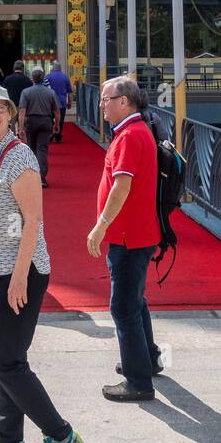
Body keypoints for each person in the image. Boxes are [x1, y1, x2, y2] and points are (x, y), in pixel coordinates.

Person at [0, 82, 83, 443]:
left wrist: (19, 279)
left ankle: (60, 434)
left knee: (4, 359)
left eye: (1, 108)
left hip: (21, 272)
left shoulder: (20, 157)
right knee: (8, 358)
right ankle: (10, 442)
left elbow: (33, 221)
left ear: (13, 114)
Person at [87, 77, 163, 401]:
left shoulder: (130, 136)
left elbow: (121, 186)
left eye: (107, 98)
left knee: (123, 307)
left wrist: (100, 225)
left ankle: (138, 381)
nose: (102, 104)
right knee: (135, 300)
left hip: (128, 236)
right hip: (137, 232)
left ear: (125, 101)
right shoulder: (134, 131)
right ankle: (148, 358)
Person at [17, 70, 60, 188]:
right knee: (42, 149)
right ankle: (41, 177)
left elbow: (22, 111)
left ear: (32, 79)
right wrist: (57, 125)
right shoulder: (50, 92)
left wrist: (20, 127)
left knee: (31, 148)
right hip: (46, 121)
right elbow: (56, 111)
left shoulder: (26, 92)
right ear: (43, 79)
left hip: (31, 121)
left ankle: (32, 175)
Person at [44, 60, 73, 143]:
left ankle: (50, 134)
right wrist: (69, 102)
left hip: (49, 102)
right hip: (61, 102)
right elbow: (70, 92)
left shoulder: (47, 76)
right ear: (60, 68)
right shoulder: (65, 77)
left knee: (49, 118)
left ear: (53, 68)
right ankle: (58, 135)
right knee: (60, 119)